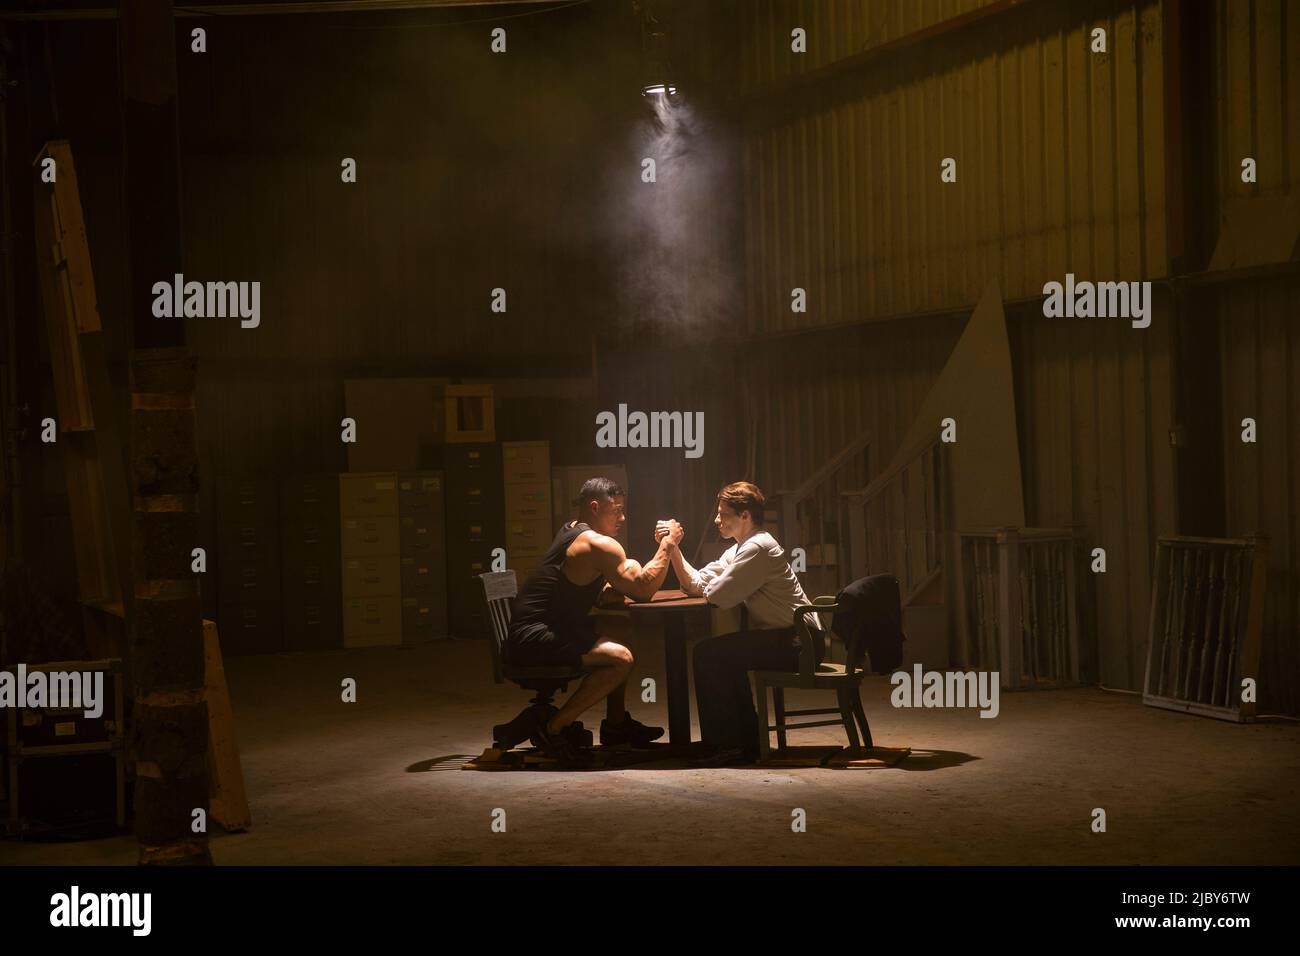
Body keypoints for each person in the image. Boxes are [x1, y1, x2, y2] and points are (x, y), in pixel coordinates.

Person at [506, 476, 683, 764]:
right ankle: (552, 729)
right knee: (620, 659)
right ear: (594, 507)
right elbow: (643, 590)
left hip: (547, 628)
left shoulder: (573, 529)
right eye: (616, 511)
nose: (623, 517)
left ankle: (615, 726)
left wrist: (614, 584)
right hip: (533, 637)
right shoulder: (598, 544)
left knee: (620, 627)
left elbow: (589, 585)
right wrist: (669, 543)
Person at [659, 481, 816, 767]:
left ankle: (730, 743)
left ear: (745, 516)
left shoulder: (758, 547)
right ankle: (743, 742)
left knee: (711, 654)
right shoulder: (739, 549)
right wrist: (672, 548)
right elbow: (695, 584)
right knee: (720, 653)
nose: (717, 519)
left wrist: (716, 585)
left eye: (723, 513)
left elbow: (719, 596)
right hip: (783, 636)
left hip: (800, 641)